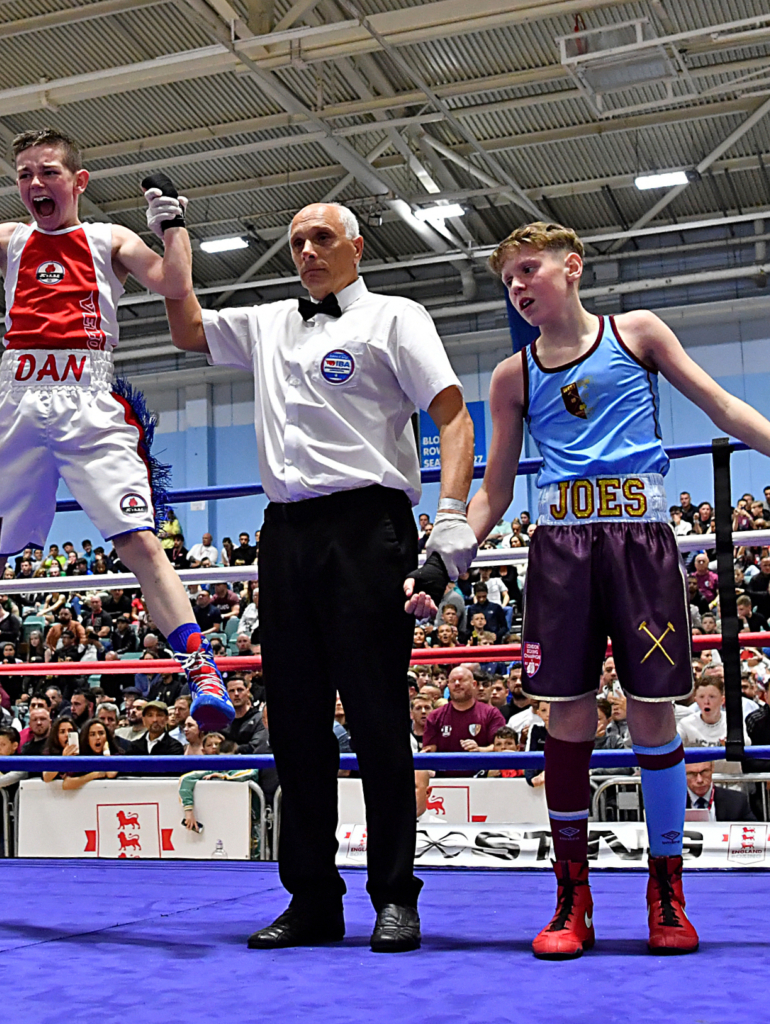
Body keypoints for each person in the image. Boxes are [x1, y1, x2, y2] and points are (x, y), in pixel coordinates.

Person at [439, 222, 770, 958]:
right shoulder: (511, 376)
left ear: (572, 267)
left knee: (653, 717)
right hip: (560, 550)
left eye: (529, 270)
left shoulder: (636, 333)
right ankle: (572, 898)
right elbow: (494, 491)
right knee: (566, 720)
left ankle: (667, 892)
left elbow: (720, 405)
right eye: (508, 280)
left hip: (641, 543)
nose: (519, 287)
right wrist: (445, 554)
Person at [163, 200, 476, 955]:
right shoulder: (270, 319)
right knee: (295, 725)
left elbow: (454, 416)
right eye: (297, 240)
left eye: (322, 238)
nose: (307, 250)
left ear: (356, 247)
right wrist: (172, 240)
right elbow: (188, 329)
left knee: (374, 718)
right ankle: (312, 901)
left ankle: (395, 897)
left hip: (371, 528)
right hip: (288, 534)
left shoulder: (396, 317)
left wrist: (452, 515)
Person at [0, 128, 231, 750]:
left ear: (77, 181)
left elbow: (175, 286)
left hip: (90, 396)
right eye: (24, 174)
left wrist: (174, 224)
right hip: (18, 400)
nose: (33, 185)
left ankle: (201, 672)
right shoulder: (11, 238)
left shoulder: (110, 239)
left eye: (47, 172)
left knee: (141, 542)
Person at [683, 761, 756, 822]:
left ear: (712, 768)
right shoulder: (673, 805)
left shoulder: (737, 801)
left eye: (704, 772)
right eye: (691, 774)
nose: (700, 780)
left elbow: (753, 832)